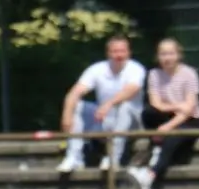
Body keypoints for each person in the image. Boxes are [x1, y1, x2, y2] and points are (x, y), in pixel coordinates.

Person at [55, 35, 146, 173]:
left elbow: (131, 90)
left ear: (128, 52)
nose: (119, 55)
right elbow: (75, 92)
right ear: (108, 53)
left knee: (125, 107)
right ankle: (74, 157)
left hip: (131, 122)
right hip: (104, 120)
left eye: (122, 51)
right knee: (78, 106)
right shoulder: (97, 69)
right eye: (115, 51)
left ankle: (113, 158)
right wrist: (66, 115)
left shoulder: (136, 69)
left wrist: (108, 104)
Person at [128, 38, 199, 189]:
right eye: (163, 54)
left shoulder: (189, 73)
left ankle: (150, 174)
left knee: (173, 135)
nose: (167, 58)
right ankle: (156, 145)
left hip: (190, 119)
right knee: (148, 113)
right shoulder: (154, 74)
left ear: (178, 55)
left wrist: (168, 126)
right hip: (168, 115)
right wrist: (177, 106)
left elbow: (189, 108)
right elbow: (156, 104)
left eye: (170, 53)